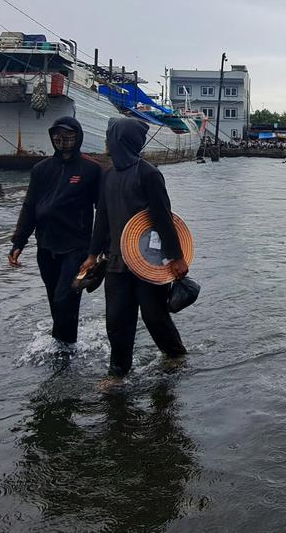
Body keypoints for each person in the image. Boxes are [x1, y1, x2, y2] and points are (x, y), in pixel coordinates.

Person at [84, 118, 189, 385]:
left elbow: (163, 218)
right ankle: (117, 373)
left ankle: (175, 355)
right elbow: (102, 218)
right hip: (116, 261)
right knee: (117, 319)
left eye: (109, 137)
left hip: (148, 262)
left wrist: (176, 257)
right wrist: (92, 255)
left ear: (121, 141)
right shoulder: (108, 175)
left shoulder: (149, 174)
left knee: (154, 316)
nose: (106, 142)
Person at [9, 116, 102, 345]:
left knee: (65, 298)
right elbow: (29, 206)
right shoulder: (41, 169)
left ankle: (66, 345)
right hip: (46, 245)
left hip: (76, 247)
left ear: (78, 137)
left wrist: (98, 251)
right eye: (58, 136)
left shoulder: (91, 169)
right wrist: (19, 241)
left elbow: (103, 210)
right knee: (54, 299)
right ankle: (62, 345)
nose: (62, 141)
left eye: (68, 136)